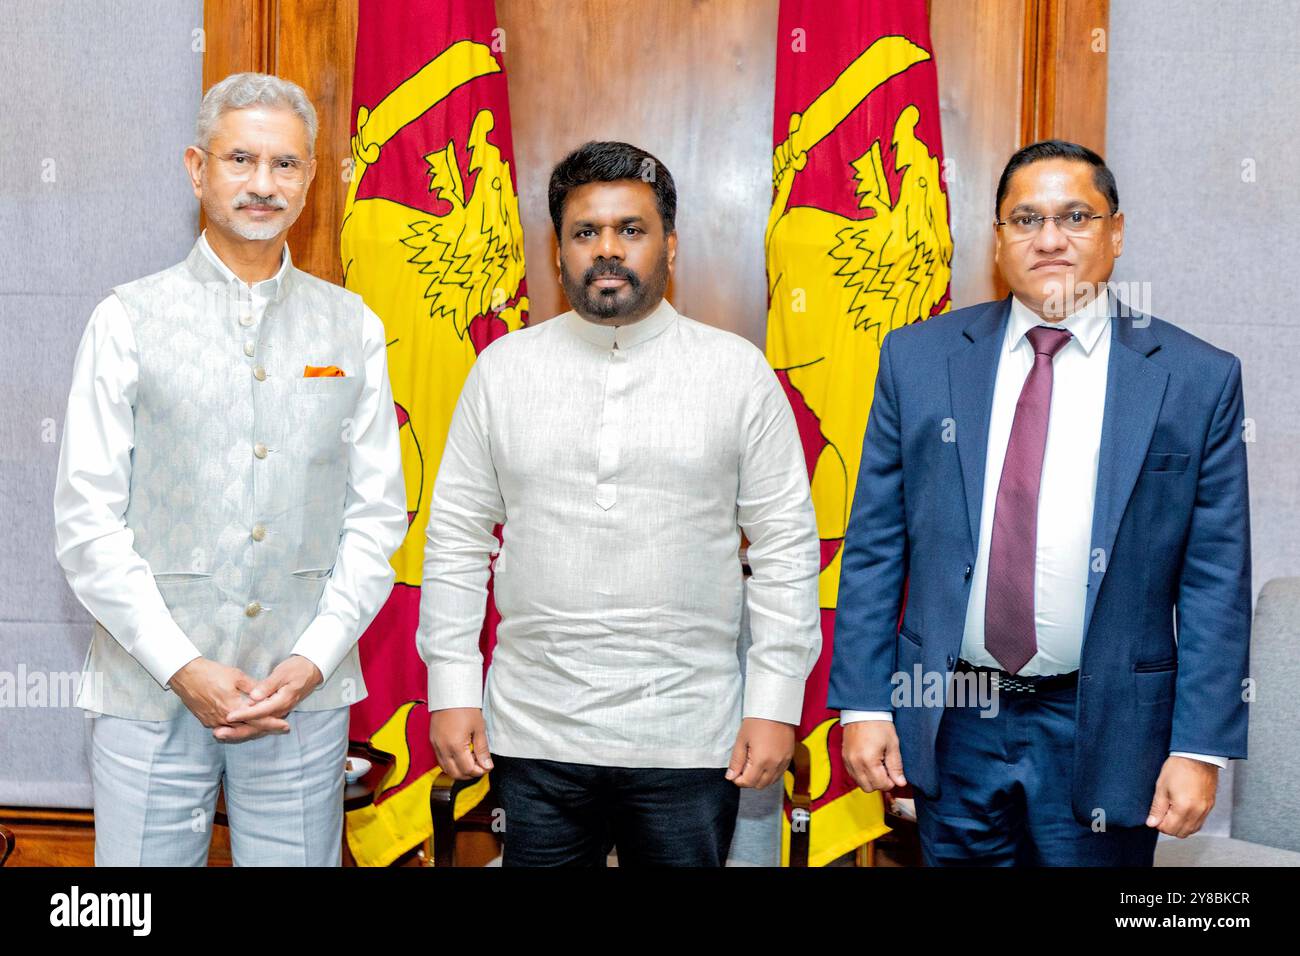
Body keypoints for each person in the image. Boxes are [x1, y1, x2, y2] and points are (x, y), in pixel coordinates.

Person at [830, 140, 1251, 866]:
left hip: (1108, 726)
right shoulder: (919, 361)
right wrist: (867, 704)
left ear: (1116, 232)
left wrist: (1199, 746)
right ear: (998, 242)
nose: (1049, 238)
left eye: (1075, 216)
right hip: (952, 716)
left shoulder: (1195, 379)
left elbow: (1215, 581)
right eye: (1025, 218)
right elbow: (875, 545)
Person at [418, 141, 822, 866]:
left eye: (630, 230)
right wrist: (451, 687)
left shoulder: (737, 373)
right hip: (535, 730)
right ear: (558, 252)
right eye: (585, 233)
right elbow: (454, 537)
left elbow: (787, 549)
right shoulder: (503, 371)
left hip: (690, 734)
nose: (607, 250)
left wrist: (774, 702)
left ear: (670, 244)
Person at [53, 72, 406, 866]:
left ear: (312, 179)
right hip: (149, 691)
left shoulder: (353, 326)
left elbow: (377, 515)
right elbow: (86, 523)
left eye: (285, 165)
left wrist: (311, 657)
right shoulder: (125, 320)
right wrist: (183, 665)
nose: (262, 184)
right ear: (196, 168)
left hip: (299, 698)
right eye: (240, 159)